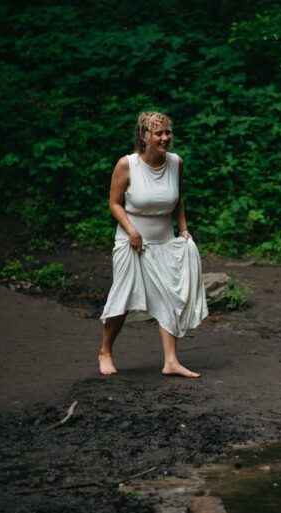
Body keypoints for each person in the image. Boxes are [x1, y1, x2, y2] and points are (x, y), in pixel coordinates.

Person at [98, 111, 208, 377]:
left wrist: (183, 229)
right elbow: (114, 203)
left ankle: (171, 361)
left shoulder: (175, 163)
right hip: (131, 241)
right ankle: (105, 351)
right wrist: (131, 230)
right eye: (158, 133)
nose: (165, 138)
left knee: (170, 296)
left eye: (167, 132)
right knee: (124, 296)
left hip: (164, 240)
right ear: (143, 136)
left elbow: (178, 200)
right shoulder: (127, 164)